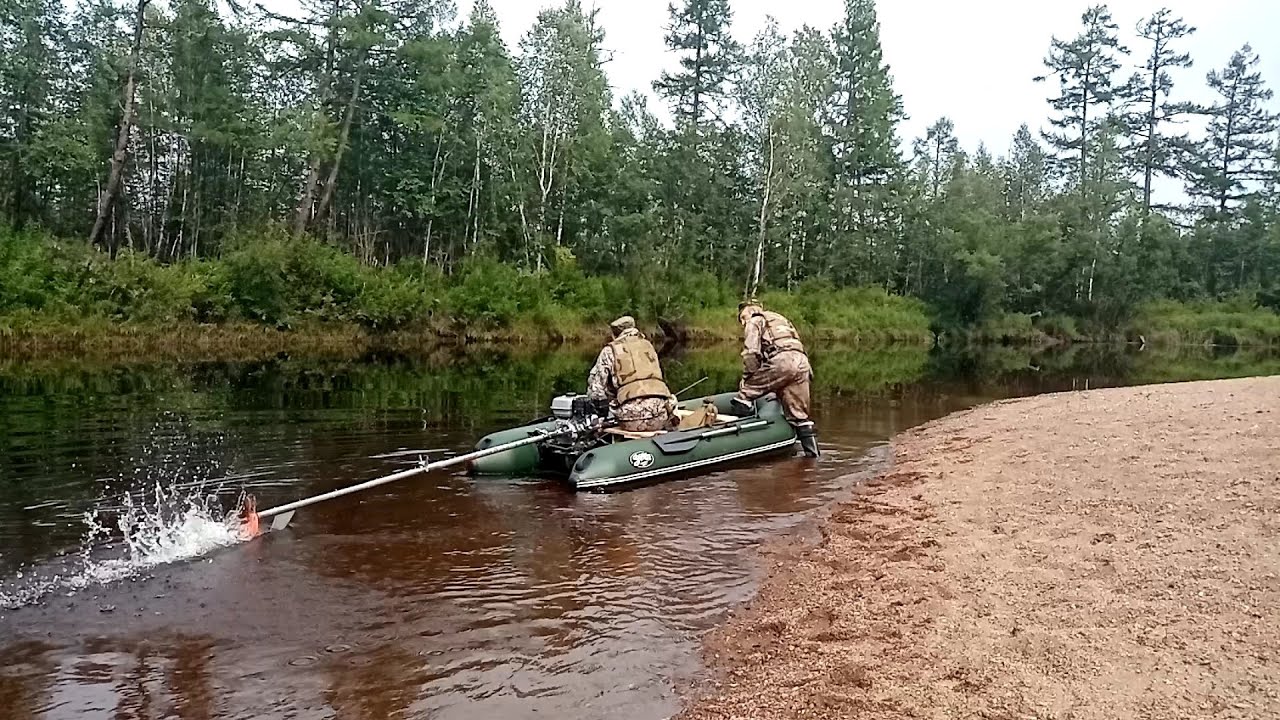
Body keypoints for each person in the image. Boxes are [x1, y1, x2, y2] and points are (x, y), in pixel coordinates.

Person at [732, 300, 819, 457]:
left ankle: (741, 440)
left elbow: (751, 352)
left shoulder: (755, 320)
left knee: (743, 397)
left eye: (743, 318)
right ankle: (813, 459)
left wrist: (749, 378)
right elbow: (797, 343)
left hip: (781, 361)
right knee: (800, 416)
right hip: (802, 363)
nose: (743, 323)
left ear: (752, 311)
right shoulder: (781, 319)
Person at [586, 316, 676, 433]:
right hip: (660, 417)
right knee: (671, 399)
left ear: (615, 333)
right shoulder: (648, 346)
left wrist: (599, 410)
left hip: (629, 420)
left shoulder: (609, 350)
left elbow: (595, 390)